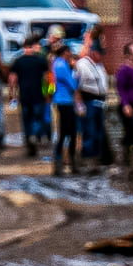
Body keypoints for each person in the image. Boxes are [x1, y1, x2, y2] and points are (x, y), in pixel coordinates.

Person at [8, 34, 50, 157]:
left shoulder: (18, 61)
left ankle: (28, 137)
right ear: (33, 46)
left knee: (26, 119)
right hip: (39, 95)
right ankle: (34, 135)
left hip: (24, 95)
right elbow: (47, 78)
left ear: (24, 47)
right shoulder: (41, 60)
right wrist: (48, 92)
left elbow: (12, 79)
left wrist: (12, 94)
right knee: (38, 118)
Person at [74, 45, 112, 166]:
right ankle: (88, 157)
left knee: (99, 130)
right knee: (89, 129)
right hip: (88, 100)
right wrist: (79, 104)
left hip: (99, 101)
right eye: (99, 54)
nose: (101, 56)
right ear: (94, 53)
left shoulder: (99, 66)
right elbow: (76, 86)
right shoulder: (82, 65)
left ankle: (98, 156)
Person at [49, 40, 81, 174]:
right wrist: (75, 69)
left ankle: (61, 163)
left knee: (64, 132)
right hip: (65, 101)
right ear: (65, 52)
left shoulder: (55, 64)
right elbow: (72, 84)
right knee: (69, 132)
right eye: (69, 52)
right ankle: (68, 163)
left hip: (60, 100)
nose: (71, 55)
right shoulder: (62, 65)